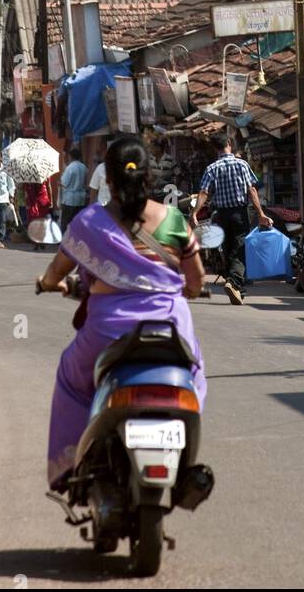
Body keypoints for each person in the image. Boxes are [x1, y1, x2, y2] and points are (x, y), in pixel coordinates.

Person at [38, 135, 206, 490]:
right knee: (194, 379)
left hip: (107, 331)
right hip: (171, 327)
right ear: (149, 177)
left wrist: (48, 282)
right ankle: (185, 461)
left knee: (70, 380)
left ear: (108, 180)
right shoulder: (174, 219)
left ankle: (70, 466)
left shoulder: (88, 223)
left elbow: (55, 273)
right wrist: (188, 290)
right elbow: (195, 280)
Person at [192, 133, 273, 306]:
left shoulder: (212, 168)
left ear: (215, 148)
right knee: (240, 247)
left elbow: (204, 192)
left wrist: (194, 213)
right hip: (239, 213)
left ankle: (237, 288)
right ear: (229, 143)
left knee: (227, 249)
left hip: (220, 214)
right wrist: (260, 213)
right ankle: (234, 282)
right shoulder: (242, 164)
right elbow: (251, 190)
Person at [57, 145, 88, 232]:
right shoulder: (84, 167)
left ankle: (64, 240)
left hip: (69, 199)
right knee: (77, 222)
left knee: (66, 222)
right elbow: (85, 182)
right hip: (81, 198)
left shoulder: (70, 168)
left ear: (71, 156)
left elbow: (64, 183)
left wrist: (59, 182)